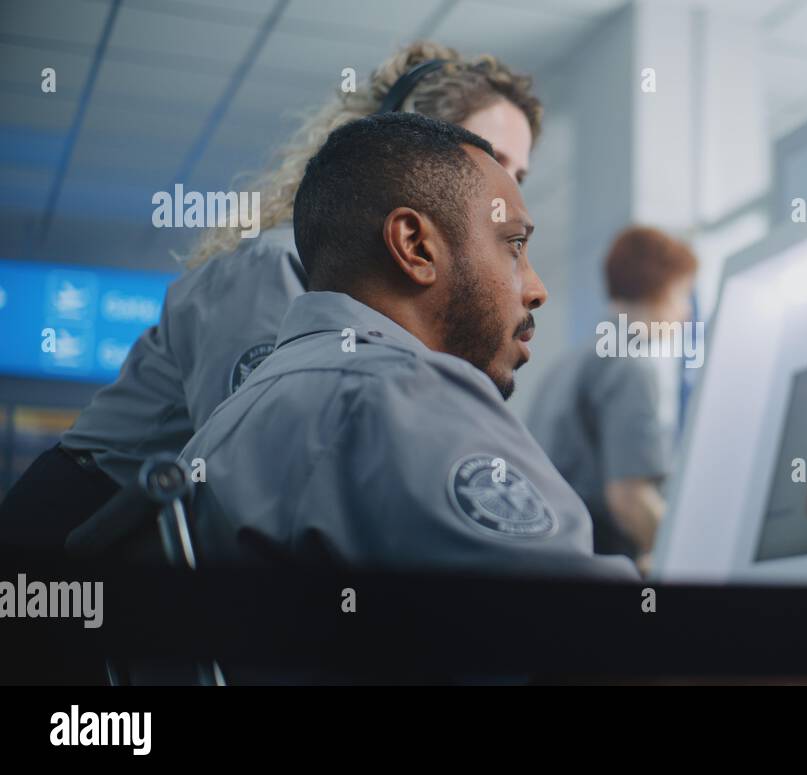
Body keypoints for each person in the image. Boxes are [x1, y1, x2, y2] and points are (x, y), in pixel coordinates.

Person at [0, 41, 543, 549]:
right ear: (410, 140)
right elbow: (264, 468)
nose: (505, 186)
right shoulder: (277, 264)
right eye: (489, 156)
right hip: (67, 544)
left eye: (517, 172)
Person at [177, 113, 634, 578]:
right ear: (415, 246)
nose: (536, 289)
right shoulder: (398, 392)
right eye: (513, 245)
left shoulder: (229, 421)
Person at [527, 227, 698, 573]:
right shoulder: (632, 366)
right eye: (682, 296)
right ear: (657, 291)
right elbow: (629, 499)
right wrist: (685, 555)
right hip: (597, 553)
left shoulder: (569, 363)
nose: (685, 314)